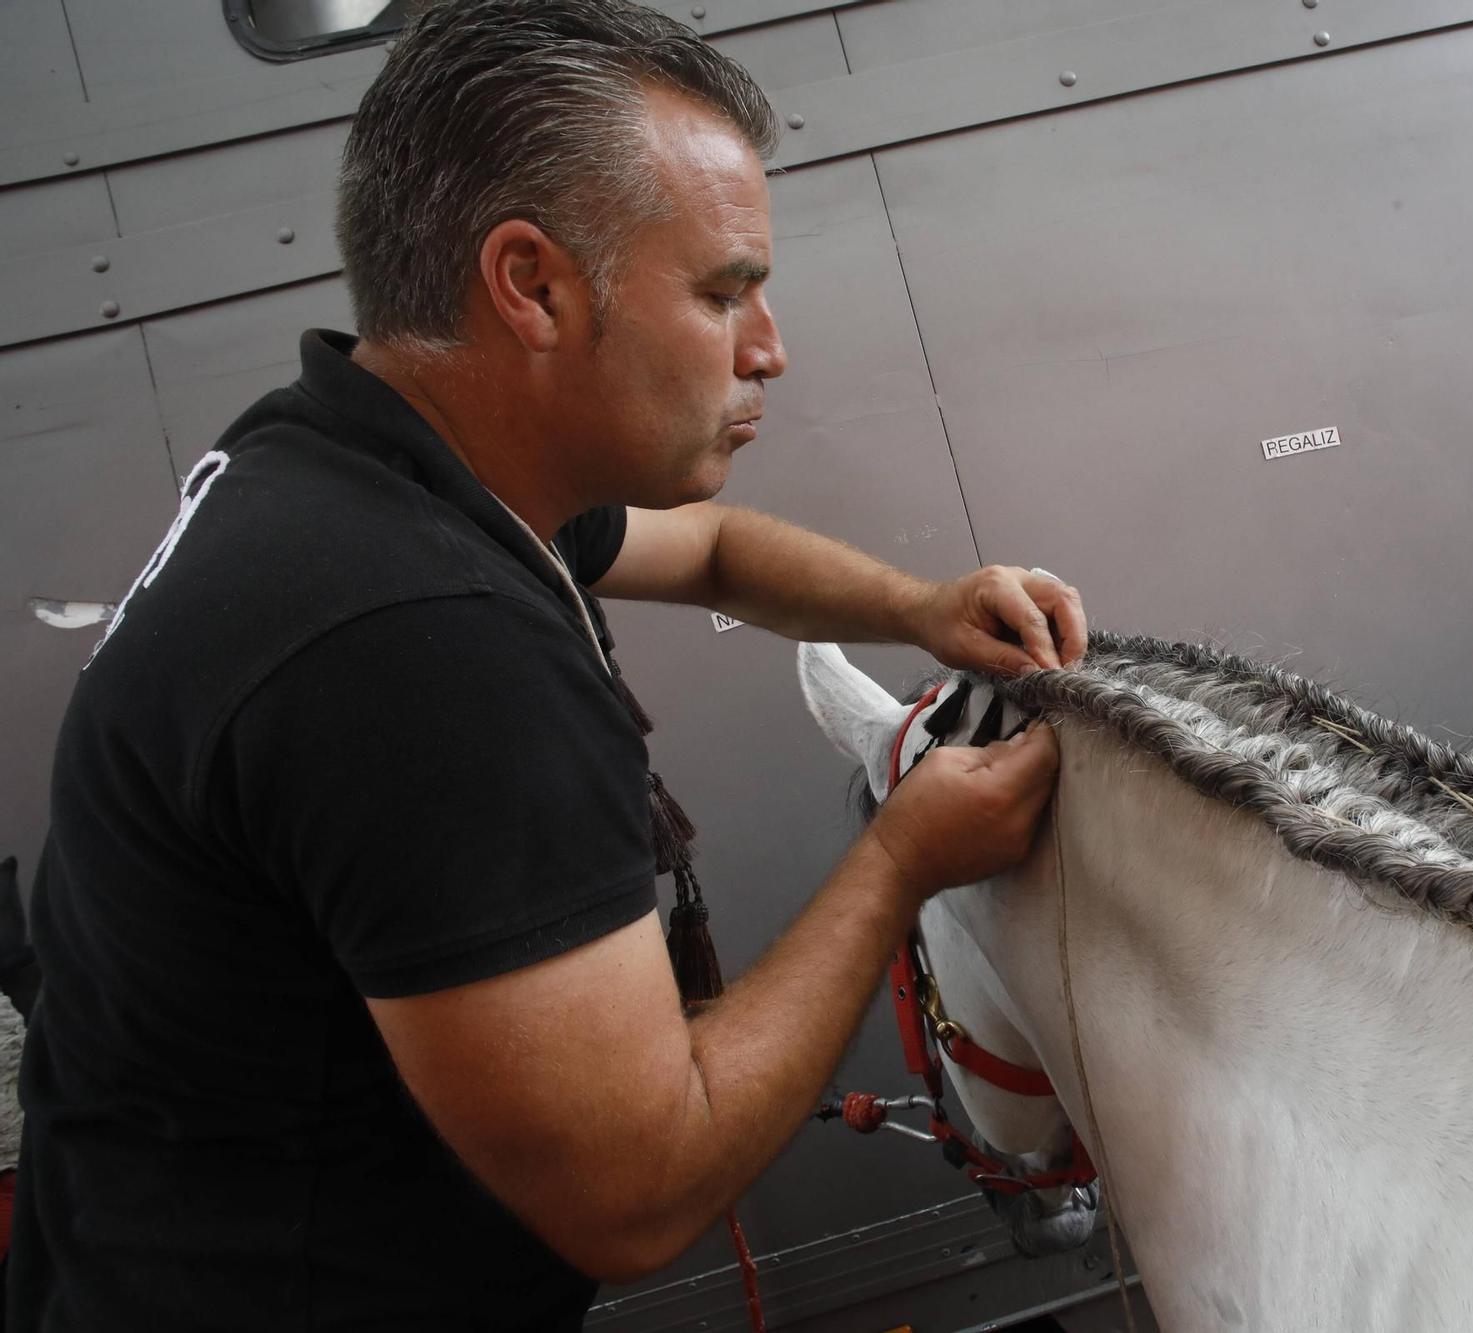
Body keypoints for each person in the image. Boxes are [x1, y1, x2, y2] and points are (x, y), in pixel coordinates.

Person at [8, 2, 1087, 1328]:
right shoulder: (417, 644)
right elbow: (640, 1190)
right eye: (721, 291)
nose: (769, 348)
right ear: (532, 285)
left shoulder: (361, 465)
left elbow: (713, 554)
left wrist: (921, 603)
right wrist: (901, 859)